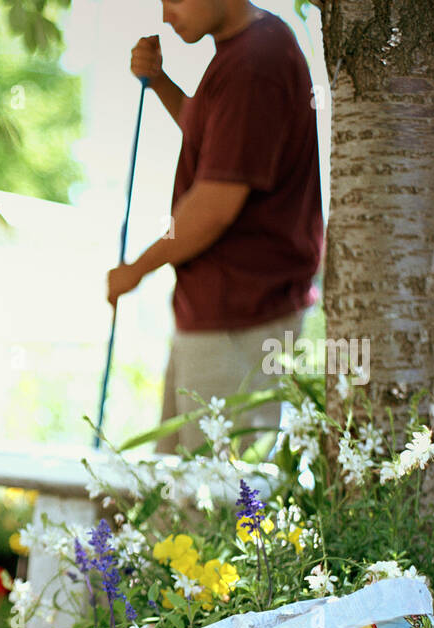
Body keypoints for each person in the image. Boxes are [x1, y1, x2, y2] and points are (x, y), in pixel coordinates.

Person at [107, 1, 323, 453]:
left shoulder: (255, 63)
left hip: (243, 315)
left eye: (175, 0)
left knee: (215, 496)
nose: (166, 15)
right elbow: (213, 134)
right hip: (220, 312)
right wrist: (161, 83)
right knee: (174, 489)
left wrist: (135, 269)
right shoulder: (243, 52)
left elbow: (213, 206)